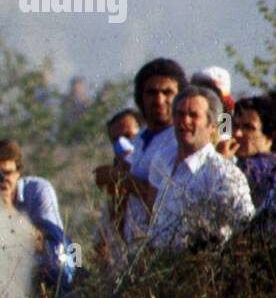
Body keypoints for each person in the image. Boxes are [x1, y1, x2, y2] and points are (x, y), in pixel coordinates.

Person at [147, 86, 254, 250]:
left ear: (212, 126)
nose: (185, 121)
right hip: (158, 267)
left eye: (193, 115)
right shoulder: (162, 159)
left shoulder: (223, 173)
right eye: (180, 114)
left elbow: (247, 228)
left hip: (197, 268)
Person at [95, 58, 187, 246]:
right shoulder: (140, 139)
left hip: (163, 246)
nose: (159, 100)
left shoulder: (179, 140)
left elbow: (166, 202)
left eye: (167, 92)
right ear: (141, 97)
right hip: (133, 248)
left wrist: (120, 177)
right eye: (151, 92)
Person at [0, 139, 74, 289]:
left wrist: (8, 210)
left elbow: (53, 246)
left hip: (43, 277)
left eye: (7, 173)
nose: (1, 180)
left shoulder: (37, 191)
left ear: (19, 172)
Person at [94, 108, 142, 262]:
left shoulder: (156, 171)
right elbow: (100, 242)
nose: (122, 144)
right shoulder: (114, 187)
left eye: (129, 136)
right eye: (115, 140)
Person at [220, 93, 276, 206]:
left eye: (248, 128)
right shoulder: (241, 161)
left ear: (270, 136)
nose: (237, 133)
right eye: (235, 126)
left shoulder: (255, 168)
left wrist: (220, 163)